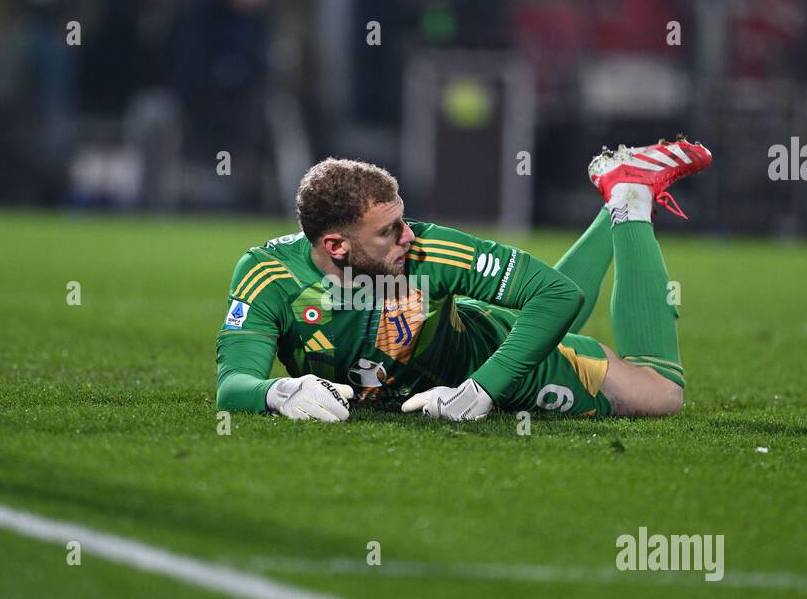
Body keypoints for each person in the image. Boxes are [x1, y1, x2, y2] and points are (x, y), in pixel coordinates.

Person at [214, 140, 710, 422]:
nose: (409, 236)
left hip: (495, 359)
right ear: (336, 247)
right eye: (388, 231)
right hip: (462, 353)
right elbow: (233, 383)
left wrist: (481, 389)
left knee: (662, 395)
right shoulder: (268, 275)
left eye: (403, 219)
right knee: (538, 319)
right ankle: (621, 194)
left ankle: (629, 198)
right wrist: (277, 392)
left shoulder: (427, 247)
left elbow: (556, 294)